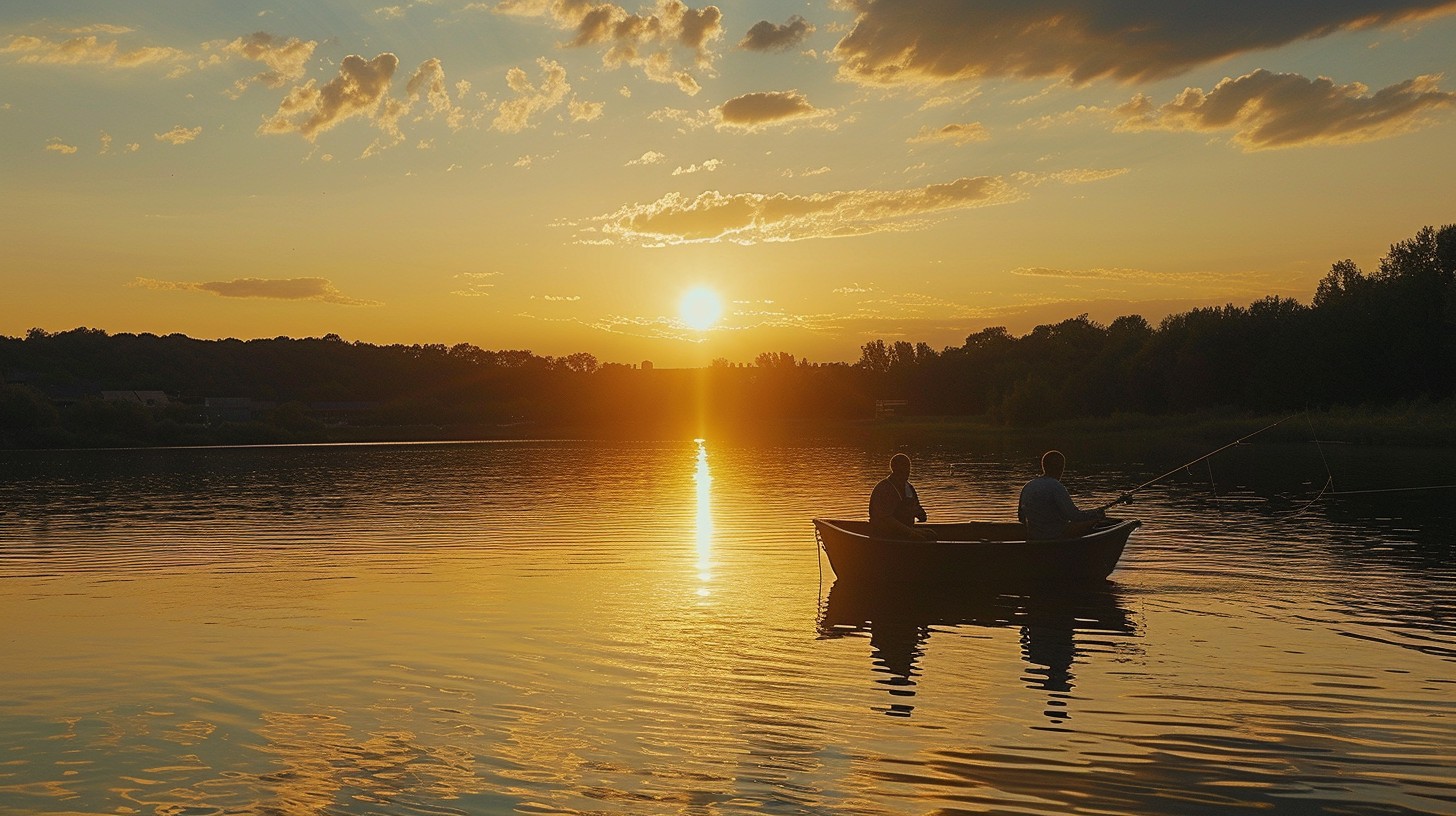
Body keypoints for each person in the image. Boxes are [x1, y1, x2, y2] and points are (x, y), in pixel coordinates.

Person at [1018, 450, 1121, 540]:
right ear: (1061, 467)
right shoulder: (1056, 486)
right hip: (1056, 536)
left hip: (1033, 536)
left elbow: (1021, 518)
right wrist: (1096, 514)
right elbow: (1074, 516)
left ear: (1044, 466)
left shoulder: (1028, 486)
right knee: (1097, 519)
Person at [869, 453, 934, 540]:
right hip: (885, 534)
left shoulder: (909, 488)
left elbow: (916, 508)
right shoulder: (884, 489)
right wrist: (911, 532)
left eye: (908, 469)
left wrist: (921, 514)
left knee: (931, 534)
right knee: (922, 538)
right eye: (902, 469)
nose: (906, 471)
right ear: (894, 469)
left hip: (904, 532)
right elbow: (885, 519)